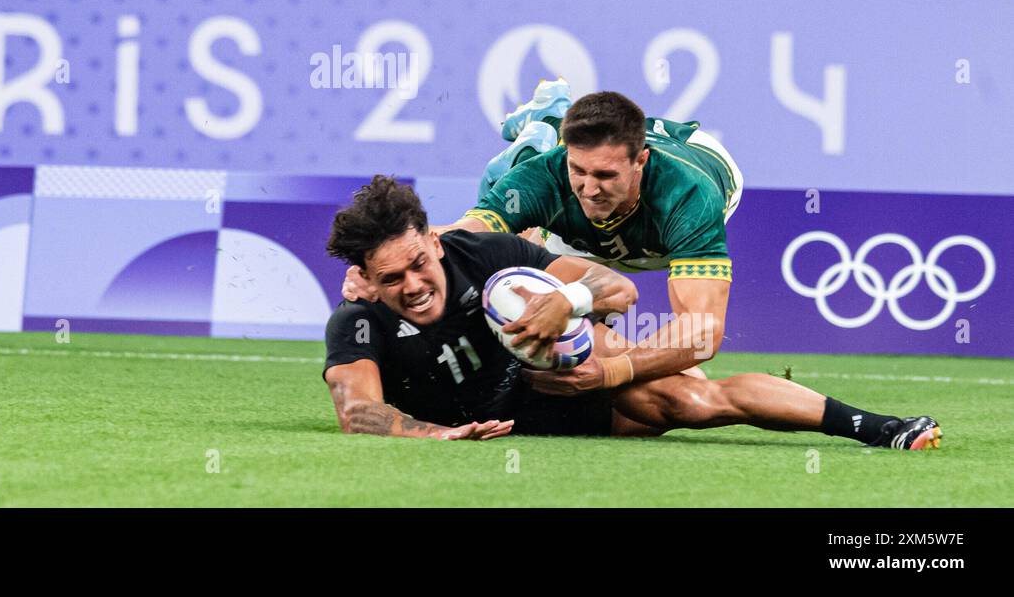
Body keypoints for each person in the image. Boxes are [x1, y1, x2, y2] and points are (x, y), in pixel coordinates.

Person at [324, 175, 941, 447]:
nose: (412, 285)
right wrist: (439, 433)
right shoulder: (357, 321)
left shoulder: (481, 252)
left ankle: (878, 427)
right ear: (365, 281)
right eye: (391, 278)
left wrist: (564, 300)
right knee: (679, 383)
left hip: (558, 385)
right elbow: (359, 412)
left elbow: (619, 290)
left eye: (418, 264)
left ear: (434, 240)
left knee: (694, 401)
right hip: (496, 419)